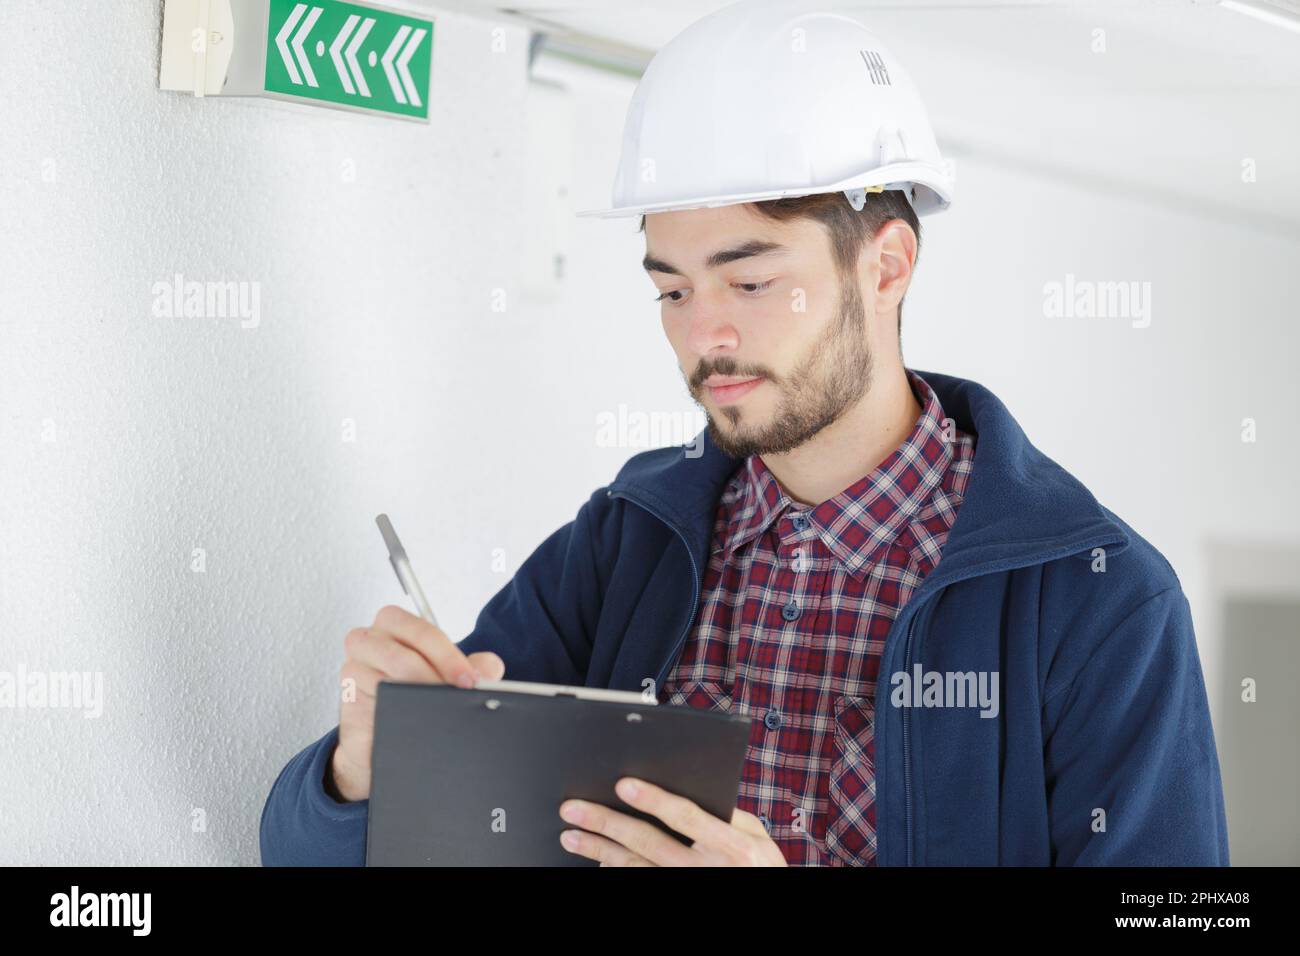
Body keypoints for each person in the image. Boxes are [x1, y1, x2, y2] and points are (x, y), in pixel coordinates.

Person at [260, 0, 1228, 866]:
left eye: (751, 281)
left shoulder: (1101, 609)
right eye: (671, 289)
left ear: (885, 266)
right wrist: (362, 774)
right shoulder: (626, 546)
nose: (703, 335)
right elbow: (323, 855)